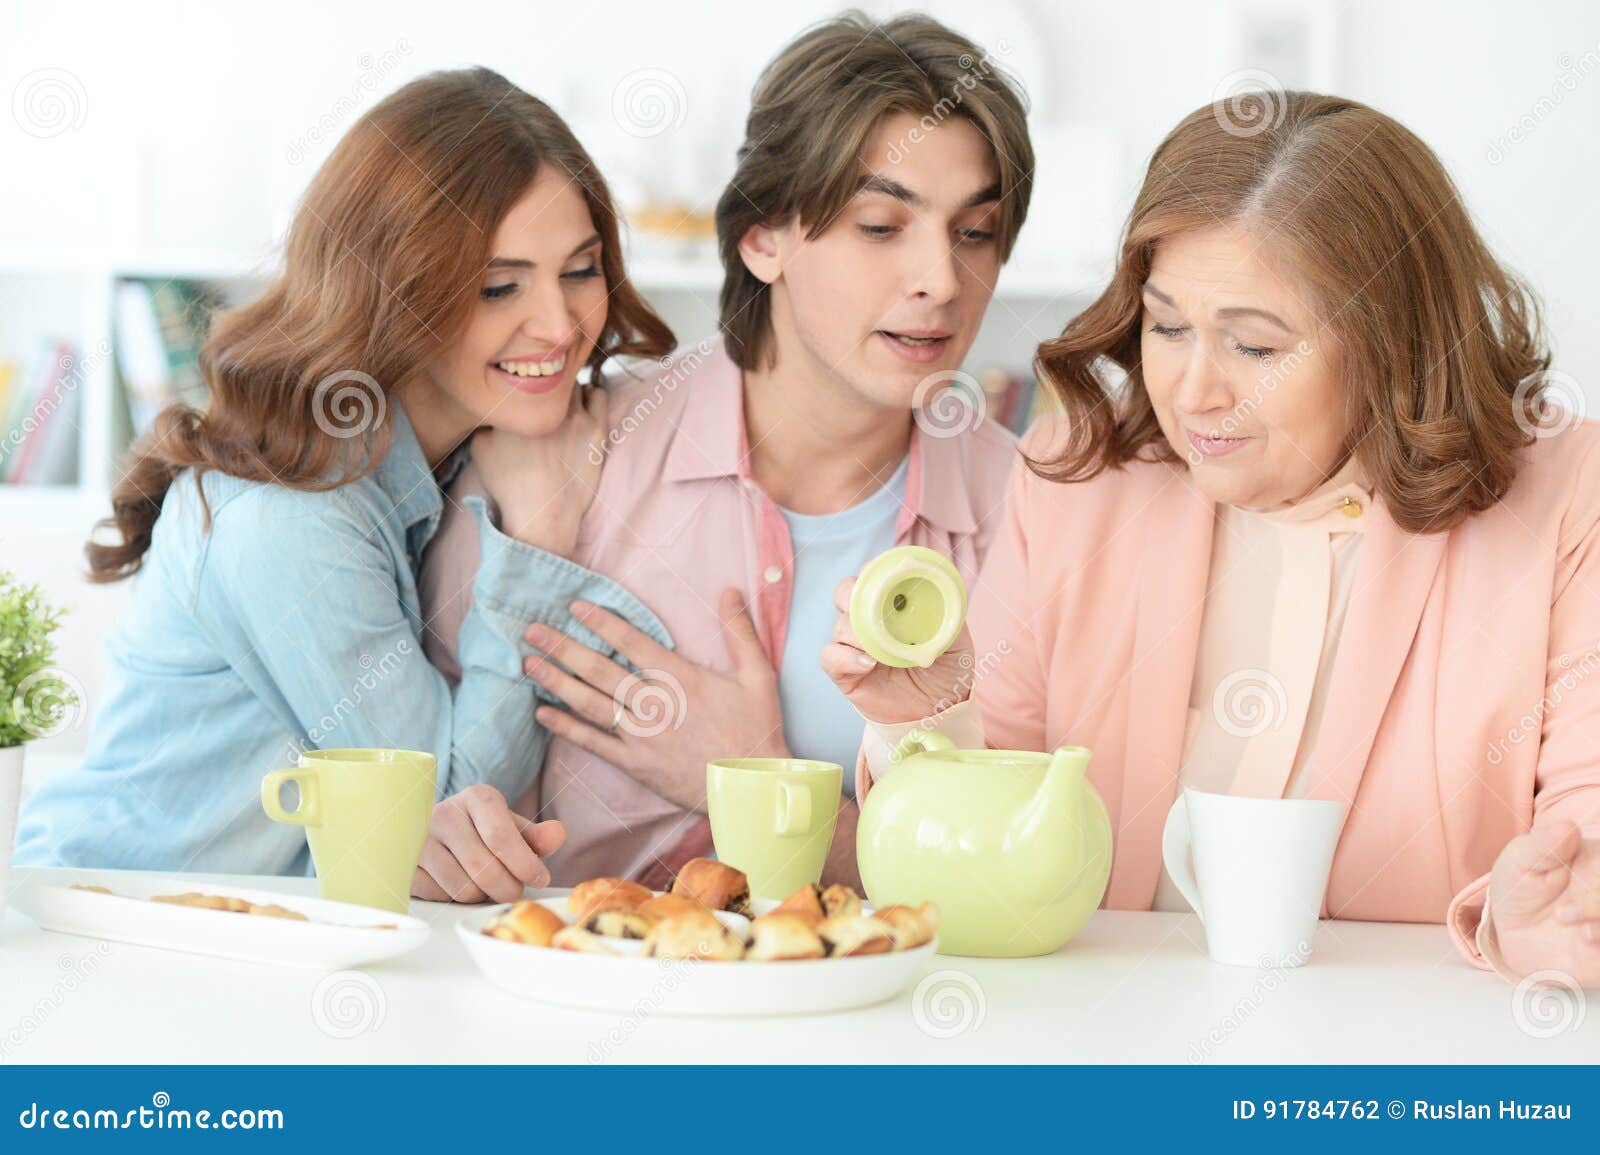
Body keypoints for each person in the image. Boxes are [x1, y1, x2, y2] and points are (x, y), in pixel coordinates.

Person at [825, 91, 1600, 986]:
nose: (1190, 391)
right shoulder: (1082, 475)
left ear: (1394, 341)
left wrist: (1543, 911)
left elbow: (1583, 830)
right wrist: (933, 717)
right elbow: (979, 882)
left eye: (1257, 347)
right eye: (1167, 326)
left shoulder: (1562, 491)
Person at [13, 69, 674, 905]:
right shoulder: (294, 511)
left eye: (580, 270)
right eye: (499, 286)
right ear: (394, 288)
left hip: (255, 944)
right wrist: (539, 538)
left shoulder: (435, 457)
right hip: (112, 931)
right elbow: (440, 820)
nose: (560, 324)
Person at [420, 13, 1031, 888]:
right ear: (763, 237)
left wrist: (755, 774)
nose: (941, 279)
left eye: (974, 232)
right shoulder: (565, 463)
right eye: (881, 226)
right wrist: (435, 838)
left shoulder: (1028, 512)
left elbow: (1005, 880)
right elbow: (423, 792)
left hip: (872, 1012)